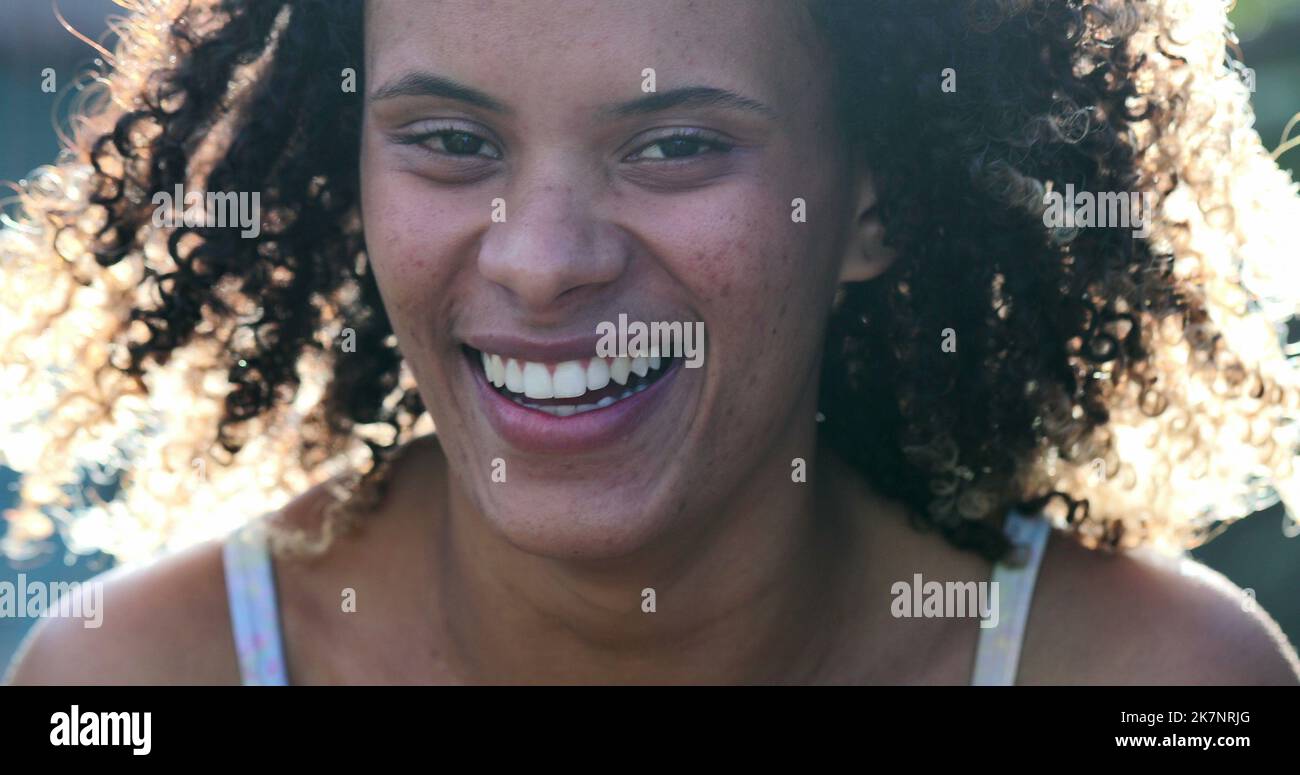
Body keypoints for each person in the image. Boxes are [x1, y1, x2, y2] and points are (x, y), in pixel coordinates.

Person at [5, 0, 1299, 684]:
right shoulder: (141, 686)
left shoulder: (1155, 687)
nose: (543, 259)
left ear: (877, 201)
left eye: (676, 145)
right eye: (452, 143)